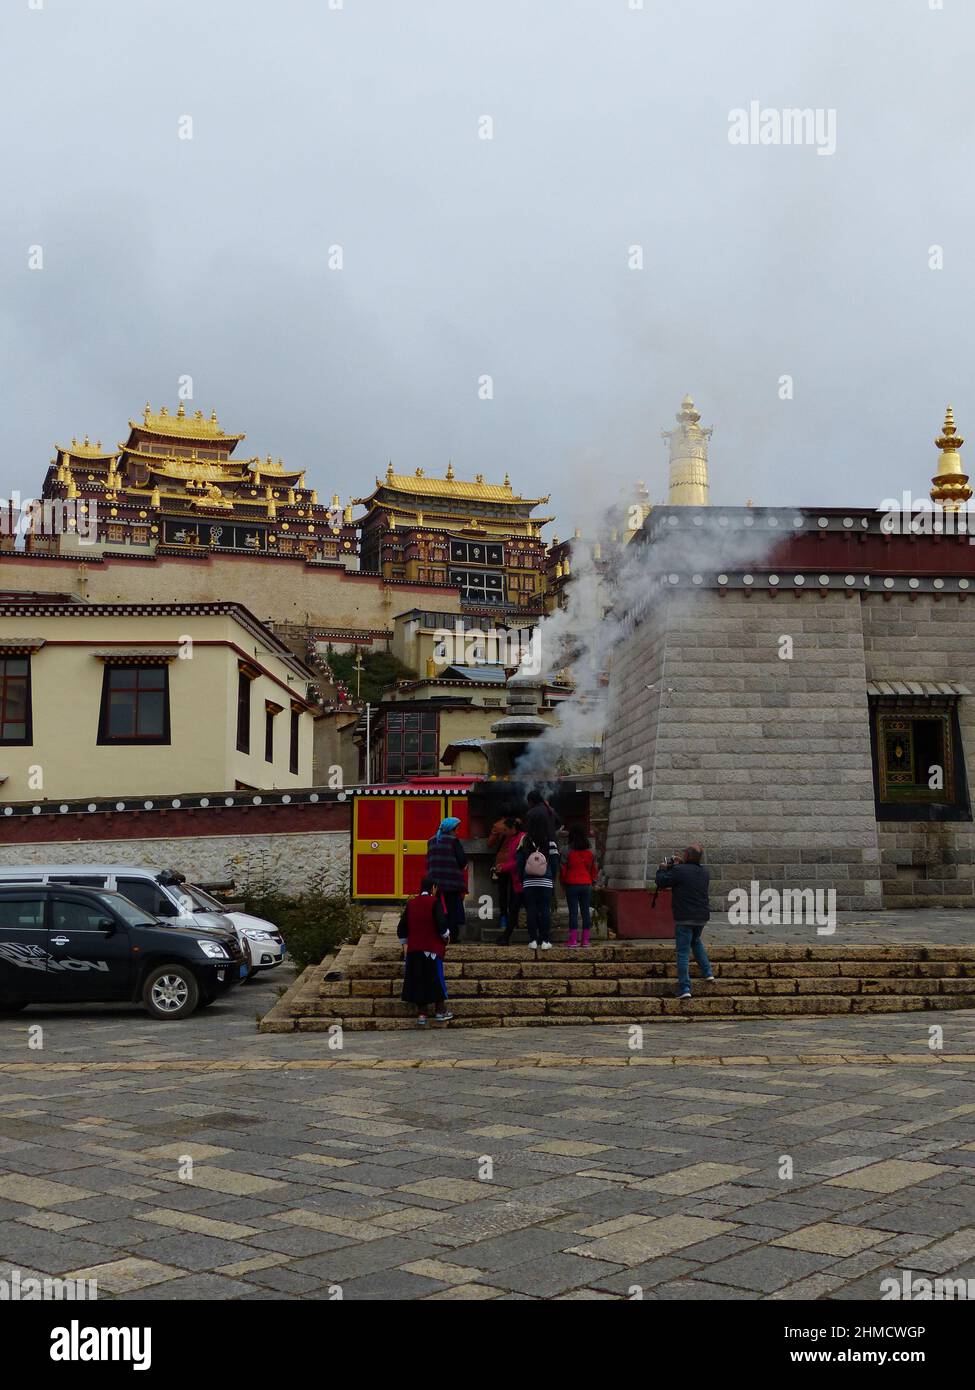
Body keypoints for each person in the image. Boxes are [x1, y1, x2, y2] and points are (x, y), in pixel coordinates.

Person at [654, 843, 715, 999]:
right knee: (695, 941)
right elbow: (689, 877)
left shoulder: (679, 871)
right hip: (701, 916)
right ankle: (708, 972)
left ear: (687, 856)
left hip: (685, 917)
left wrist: (662, 868)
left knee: (682, 951)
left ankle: (685, 987)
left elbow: (662, 882)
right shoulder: (704, 872)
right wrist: (679, 866)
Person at [397, 875, 453, 1026]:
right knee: (436, 980)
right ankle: (440, 1011)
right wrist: (447, 935)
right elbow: (441, 925)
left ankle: (422, 1014)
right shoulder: (434, 903)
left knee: (419, 980)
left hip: (414, 950)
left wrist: (405, 944)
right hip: (432, 949)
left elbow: (402, 928)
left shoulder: (411, 904)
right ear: (433, 887)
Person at [425, 816, 467, 942]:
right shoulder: (453, 841)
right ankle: (452, 936)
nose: (458, 831)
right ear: (452, 829)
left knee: (438, 910)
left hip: (434, 883)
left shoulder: (431, 841)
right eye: (457, 828)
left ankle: (438, 934)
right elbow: (462, 861)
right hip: (451, 882)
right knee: (452, 910)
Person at [487, 805, 523, 943]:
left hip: (502, 862)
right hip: (515, 862)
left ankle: (503, 918)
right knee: (516, 892)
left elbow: (490, 843)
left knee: (502, 892)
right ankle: (517, 920)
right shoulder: (519, 823)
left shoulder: (497, 825)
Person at [560, 825, 599, 947]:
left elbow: (563, 869)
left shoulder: (566, 850)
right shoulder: (591, 851)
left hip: (572, 884)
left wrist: (563, 883)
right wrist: (593, 881)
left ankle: (573, 940)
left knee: (573, 912)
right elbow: (594, 869)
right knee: (585, 911)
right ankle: (586, 940)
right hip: (586, 883)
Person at [517, 832, 553, 949]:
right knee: (545, 909)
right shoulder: (550, 840)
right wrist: (551, 876)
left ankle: (532, 940)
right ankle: (545, 941)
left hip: (529, 881)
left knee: (531, 909)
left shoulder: (525, 839)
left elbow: (519, 861)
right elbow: (555, 861)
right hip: (546, 880)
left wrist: (522, 877)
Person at [525, 789, 561, 905]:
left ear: (531, 801)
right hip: (553, 849)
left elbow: (529, 834)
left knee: (537, 881)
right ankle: (550, 898)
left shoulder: (532, 813)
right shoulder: (551, 810)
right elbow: (559, 823)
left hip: (540, 852)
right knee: (550, 881)